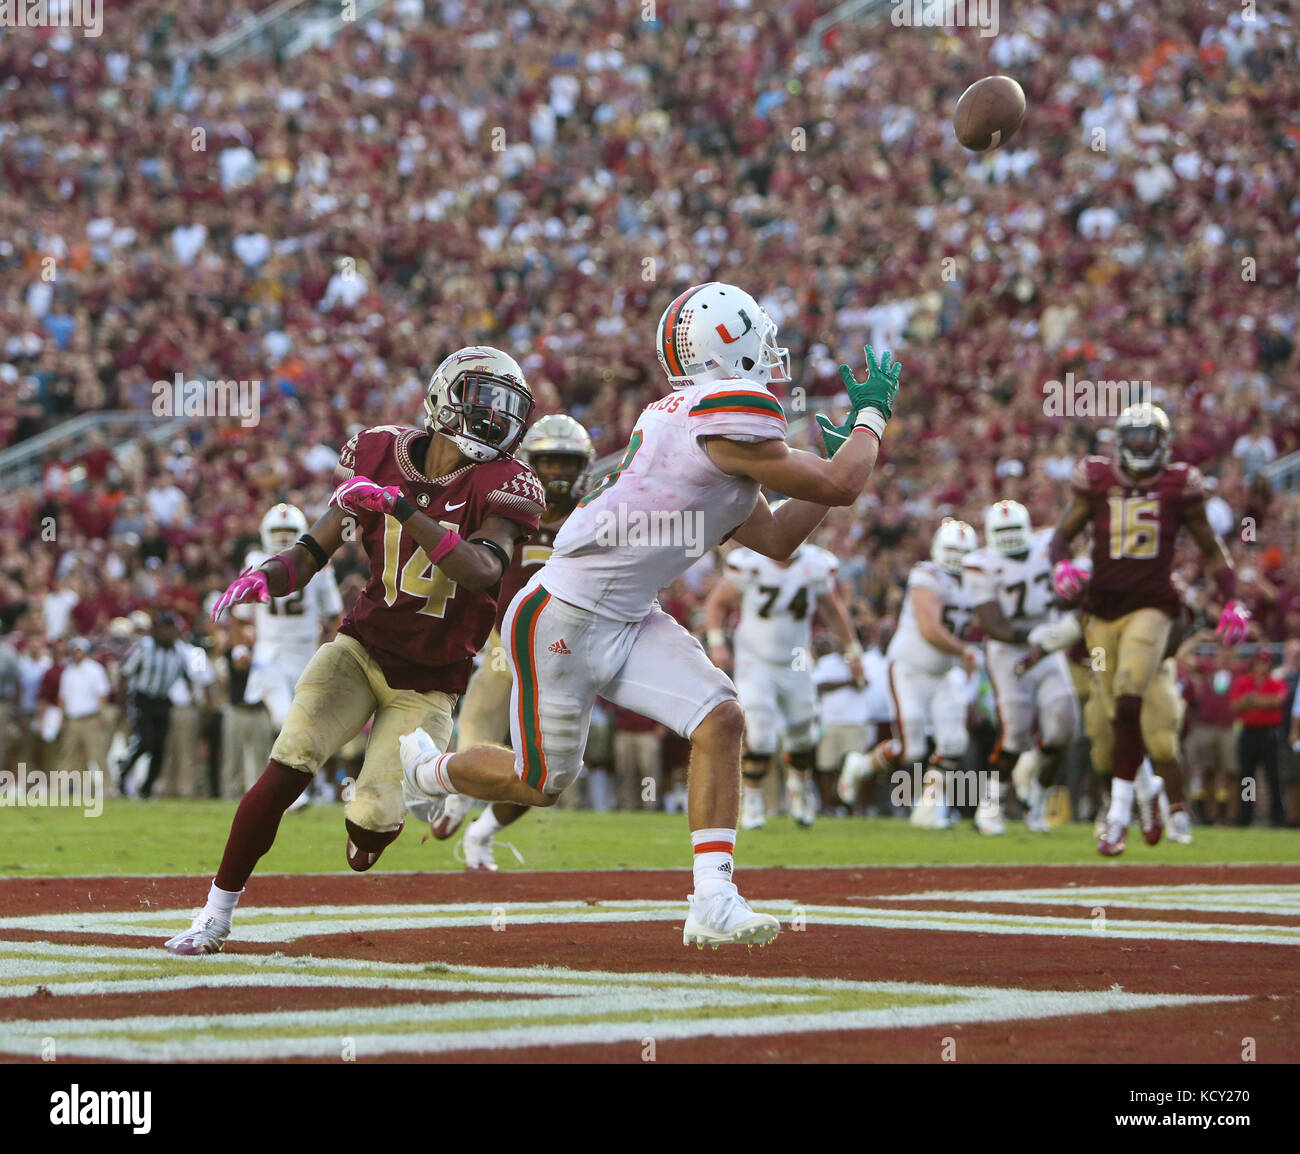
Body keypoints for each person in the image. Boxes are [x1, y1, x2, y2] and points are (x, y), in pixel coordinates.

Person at [399, 283, 902, 949]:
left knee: (720, 718)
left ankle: (713, 897)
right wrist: (871, 423)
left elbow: (779, 539)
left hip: (629, 613)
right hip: (564, 616)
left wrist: (832, 472)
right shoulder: (725, 414)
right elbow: (840, 483)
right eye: (758, 332)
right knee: (539, 783)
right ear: (732, 343)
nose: (770, 348)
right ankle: (429, 771)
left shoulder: (696, 424)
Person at [164, 346, 545, 955]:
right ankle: (213, 914)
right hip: (361, 648)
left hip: (431, 682)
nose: (496, 422)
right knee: (288, 763)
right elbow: (315, 549)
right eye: (485, 404)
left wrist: (404, 507)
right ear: (446, 397)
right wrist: (269, 576)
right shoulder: (379, 451)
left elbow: (478, 571)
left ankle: (374, 823)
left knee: (368, 828)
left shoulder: (502, 484)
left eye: (507, 410)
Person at [1049, 403, 1251, 855]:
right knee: (1115, 713)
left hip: (1152, 606)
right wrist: (1060, 565)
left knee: (1130, 692)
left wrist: (1232, 598)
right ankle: (1147, 792)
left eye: (1149, 439)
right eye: (1134, 439)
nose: (1142, 447)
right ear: (1120, 444)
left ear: (1163, 444)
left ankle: (1119, 816)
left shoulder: (1179, 486)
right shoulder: (1098, 480)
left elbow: (1212, 549)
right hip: (1099, 612)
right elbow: (1062, 536)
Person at [429, 414, 596, 870]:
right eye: (550, 462)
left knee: (547, 774)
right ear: (530, 463)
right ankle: (458, 793)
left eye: (567, 463)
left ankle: (481, 832)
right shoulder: (510, 507)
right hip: (508, 639)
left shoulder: (594, 514)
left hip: (566, 651)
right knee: (486, 702)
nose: (559, 473)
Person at [703, 529, 861, 830]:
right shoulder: (751, 563)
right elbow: (716, 602)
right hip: (755, 659)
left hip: (797, 659)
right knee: (760, 732)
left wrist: (852, 651)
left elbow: (833, 610)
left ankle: (799, 788)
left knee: (803, 731)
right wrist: (717, 642)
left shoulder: (813, 566)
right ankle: (751, 800)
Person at [837, 520, 979, 829]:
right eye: (952, 549)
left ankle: (928, 810)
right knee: (910, 748)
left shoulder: (976, 580)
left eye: (963, 551)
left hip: (943, 672)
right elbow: (930, 629)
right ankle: (861, 765)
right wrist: (965, 651)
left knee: (953, 741)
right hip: (909, 668)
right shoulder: (925, 576)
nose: (957, 557)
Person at [964, 501, 1079, 834]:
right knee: (1014, 733)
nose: (1010, 537)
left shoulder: (1048, 545)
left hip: (1050, 643)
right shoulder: (980, 563)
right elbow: (991, 624)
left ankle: (1036, 799)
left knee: (1064, 726)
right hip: (1008, 650)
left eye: (1015, 529)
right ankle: (990, 806)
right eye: (1002, 531)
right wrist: (1034, 635)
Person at [115, 611, 195, 799]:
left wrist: (192, 697)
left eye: (171, 628)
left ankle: (147, 788)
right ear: (157, 629)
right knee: (146, 741)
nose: (167, 633)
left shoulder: (179, 650)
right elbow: (125, 673)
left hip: (163, 700)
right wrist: (122, 704)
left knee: (160, 747)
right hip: (142, 699)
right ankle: (123, 774)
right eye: (164, 628)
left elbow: (188, 675)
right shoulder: (144, 647)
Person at [1230, 647, 1287, 827]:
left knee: (1273, 775)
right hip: (1249, 732)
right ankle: (1246, 815)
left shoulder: (1276, 682)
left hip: (1268, 733)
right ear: (1253, 664)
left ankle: (1277, 817)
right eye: (1259, 663)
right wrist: (1262, 701)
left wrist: (1252, 701)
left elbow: (1276, 702)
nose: (1262, 666)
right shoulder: (1243, 682)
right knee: (1248, 777)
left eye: (1266, 663)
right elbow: (1236, 705)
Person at [56, 638, 110, 779]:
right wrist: (63, 718)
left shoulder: (95, 669)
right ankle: (69, 787)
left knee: (96, 754)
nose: (77, 653)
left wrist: (98, 716)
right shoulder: (68, 671)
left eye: (79, 650)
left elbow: (102, 695)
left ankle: (107, 787)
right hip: (73, 719)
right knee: (70, 754)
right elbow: (63, 697)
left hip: (90, 718)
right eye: (75, 651)